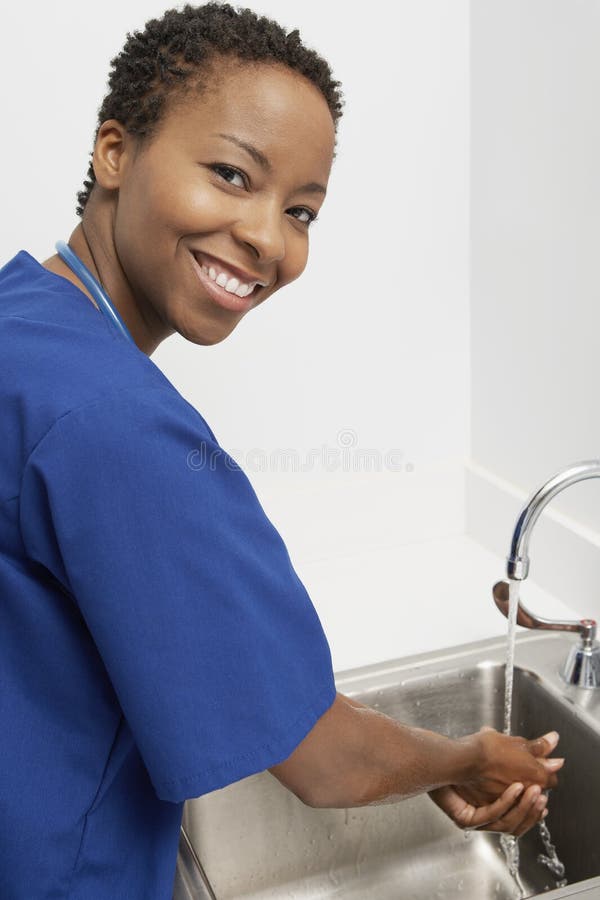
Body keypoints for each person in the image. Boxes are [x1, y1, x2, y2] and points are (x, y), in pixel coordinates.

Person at [0, 4, 563, 898]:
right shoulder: (118, 424)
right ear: (114, 151)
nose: (269, 238)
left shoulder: (22, 322)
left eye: (301, 210)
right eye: (231, 174)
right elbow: (321, 759)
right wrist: (464, 755)